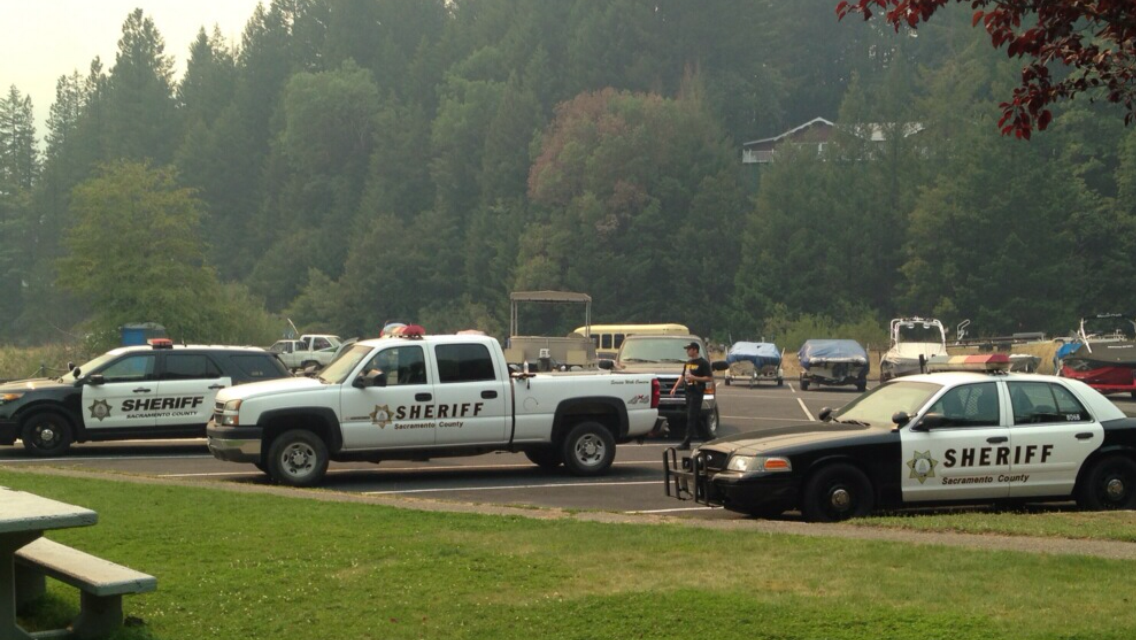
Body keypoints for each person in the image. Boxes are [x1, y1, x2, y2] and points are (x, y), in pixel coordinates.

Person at [670, 341, 712, 450]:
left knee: (691, 417)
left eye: (689, 349)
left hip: (697, 392)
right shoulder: (688, 363)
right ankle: (707, 438)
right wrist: (674, 388)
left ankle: (686, 442)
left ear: (695, 350)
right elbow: (683, 376)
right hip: (688, 392)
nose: (687, 351)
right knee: (695, 416)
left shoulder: (703, 363)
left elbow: (709, 378)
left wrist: (695, 378)